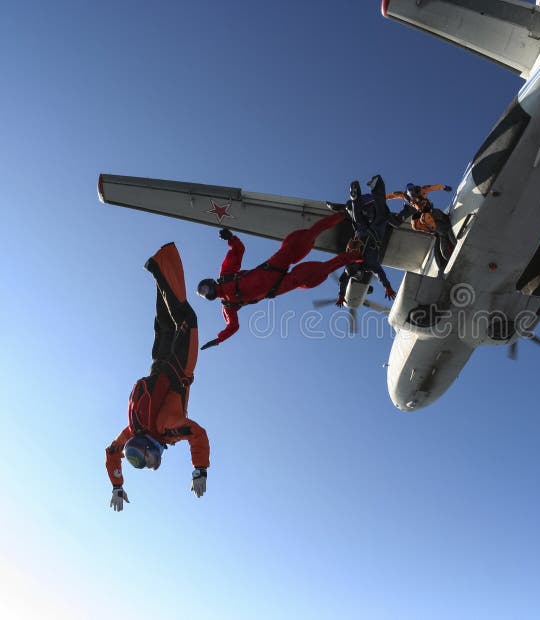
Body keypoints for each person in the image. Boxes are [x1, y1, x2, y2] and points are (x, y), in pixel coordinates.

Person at [106, 243, 209, 512]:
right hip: (158, 362)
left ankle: (160, 265)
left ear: (149, 446)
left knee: (187, 317)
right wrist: (116, 484)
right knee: (166, 323)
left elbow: (197, 433)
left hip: (178, 366)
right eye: (146, 463)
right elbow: (112, 452)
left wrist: (200, 469)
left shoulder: (166, 429)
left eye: (146, 459)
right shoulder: (133, 429)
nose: (151, 463)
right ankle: (158, 271)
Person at [197, 213, 362, 349]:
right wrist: (218, 340)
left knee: (304, 238)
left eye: (204, 288)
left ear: (209, 282)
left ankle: (343, 214)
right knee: (316, 272)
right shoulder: (228, 307)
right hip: (277, 287)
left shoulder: (225, 276)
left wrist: (231, 238)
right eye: (203, 294)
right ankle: (357, 255)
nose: (206, 293)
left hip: (271, 267)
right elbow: (232, 327)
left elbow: (238, 250)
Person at [326, 175, 397, 300]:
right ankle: (355, 197)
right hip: (362, 230)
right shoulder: (351, 261)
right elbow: (344, 279)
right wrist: (341, 294)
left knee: (380, 213)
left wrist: (387, 287)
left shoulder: (369, 265)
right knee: (358, 216)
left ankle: (375, 185)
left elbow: (380, 275)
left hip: (373, 232)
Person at [387, 182, 456, 270]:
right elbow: (392, 195)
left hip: (431, 211)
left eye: (414, 194)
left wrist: (445, 187)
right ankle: (434, 231)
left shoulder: (422, 190)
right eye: (412, 196)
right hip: (422, 212)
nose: (414, 198)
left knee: (424, 218)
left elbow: (433, 187)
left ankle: (444, 220)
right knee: (415, 225)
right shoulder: (405, 195)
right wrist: (381, 198)